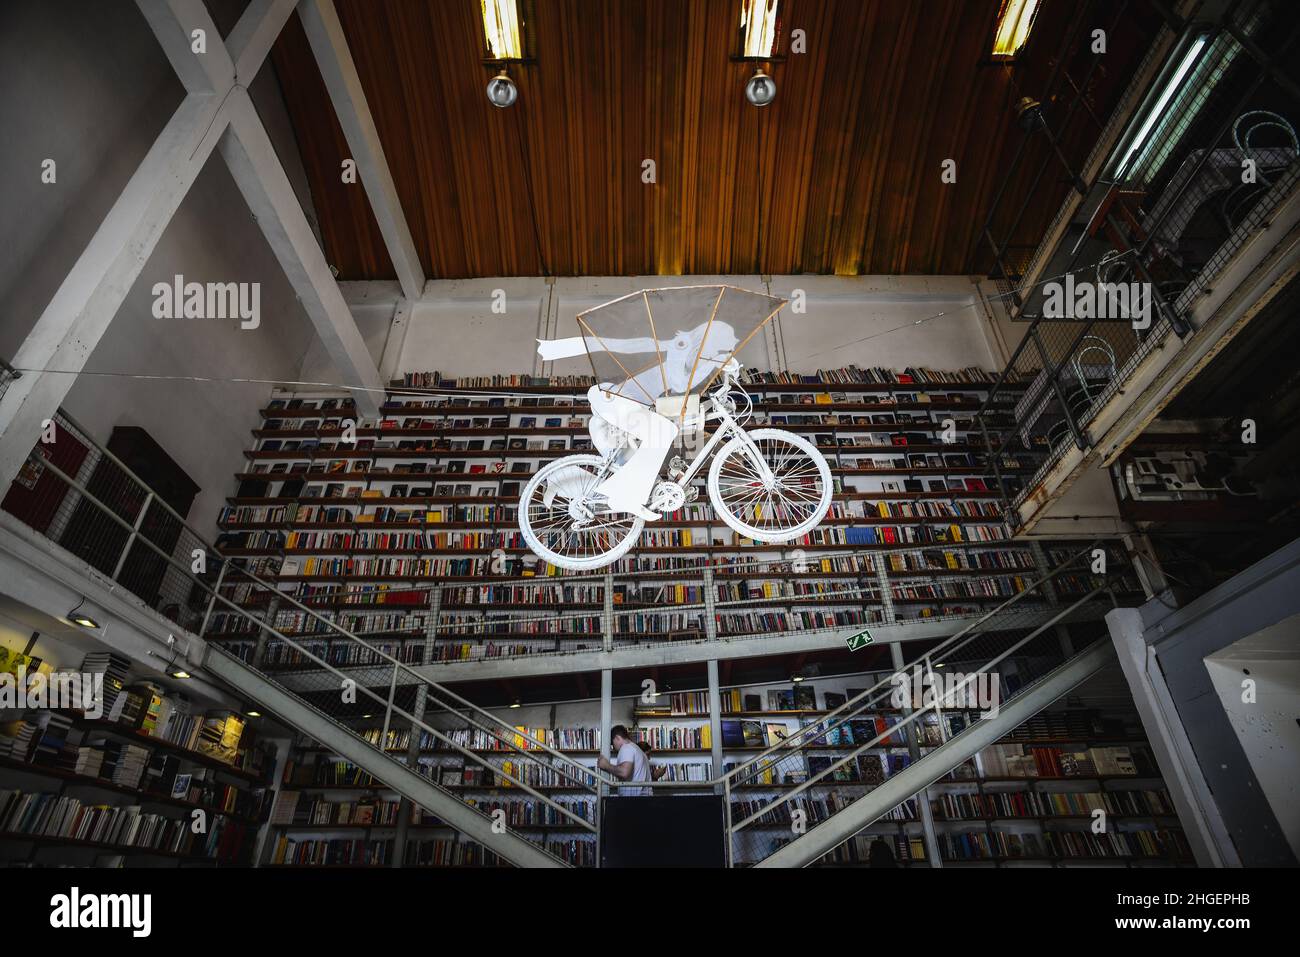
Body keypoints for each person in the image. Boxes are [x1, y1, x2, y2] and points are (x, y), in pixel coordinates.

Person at [596, 725, 652, 795]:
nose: (613, 748)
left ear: (617, 738)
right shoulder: (637, 749)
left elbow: (624, 772)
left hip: (634, 801)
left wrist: (606, 765)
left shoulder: (626, 748)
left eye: (612, 744)